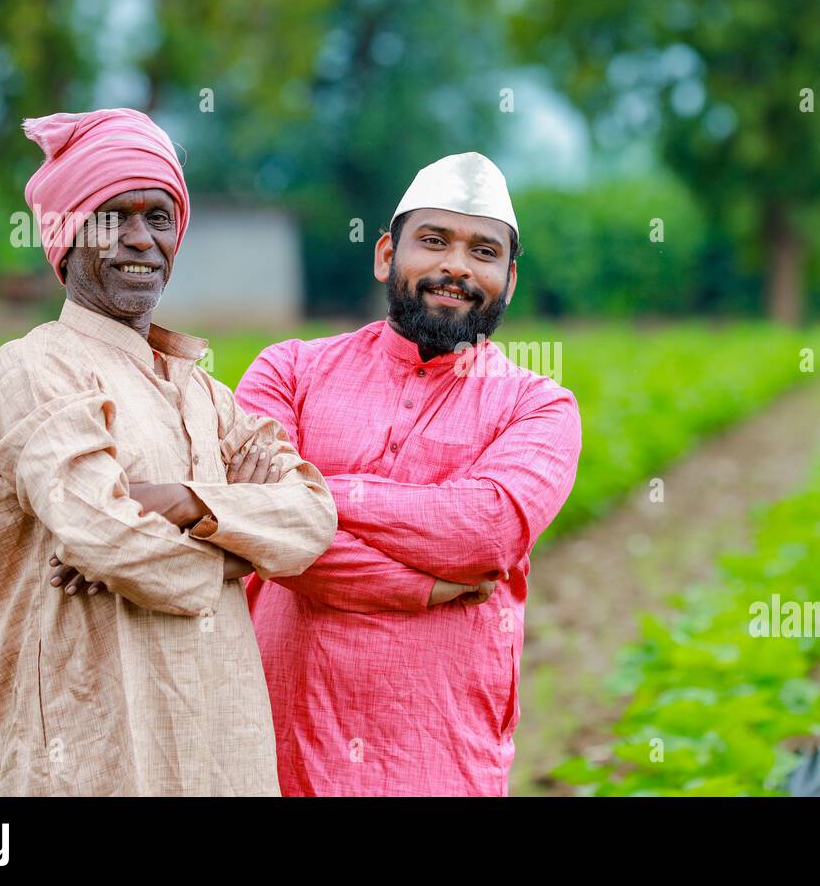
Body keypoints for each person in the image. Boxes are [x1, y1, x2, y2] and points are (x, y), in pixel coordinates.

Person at [0, 108, 336, 795]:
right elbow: (103, 534)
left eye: (158, 218)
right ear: (66, 235)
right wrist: (243, 547)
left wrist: (187, 503)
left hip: (218, 742)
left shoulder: (203, 391)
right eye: (112, 218)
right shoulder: (36, 367)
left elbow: (312, 516)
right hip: (89, 744)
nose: (140, 239)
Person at [235, 152, 583, 795]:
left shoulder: (539, 407)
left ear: (508, 281)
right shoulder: (287, 371)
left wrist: (310, 494)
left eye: (484, 251)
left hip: (436, 758)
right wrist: (423, 586)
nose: (456, 265)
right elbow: (263, 532)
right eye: (433, 241)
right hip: (273, 750)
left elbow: (486, 532)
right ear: (386, 253)